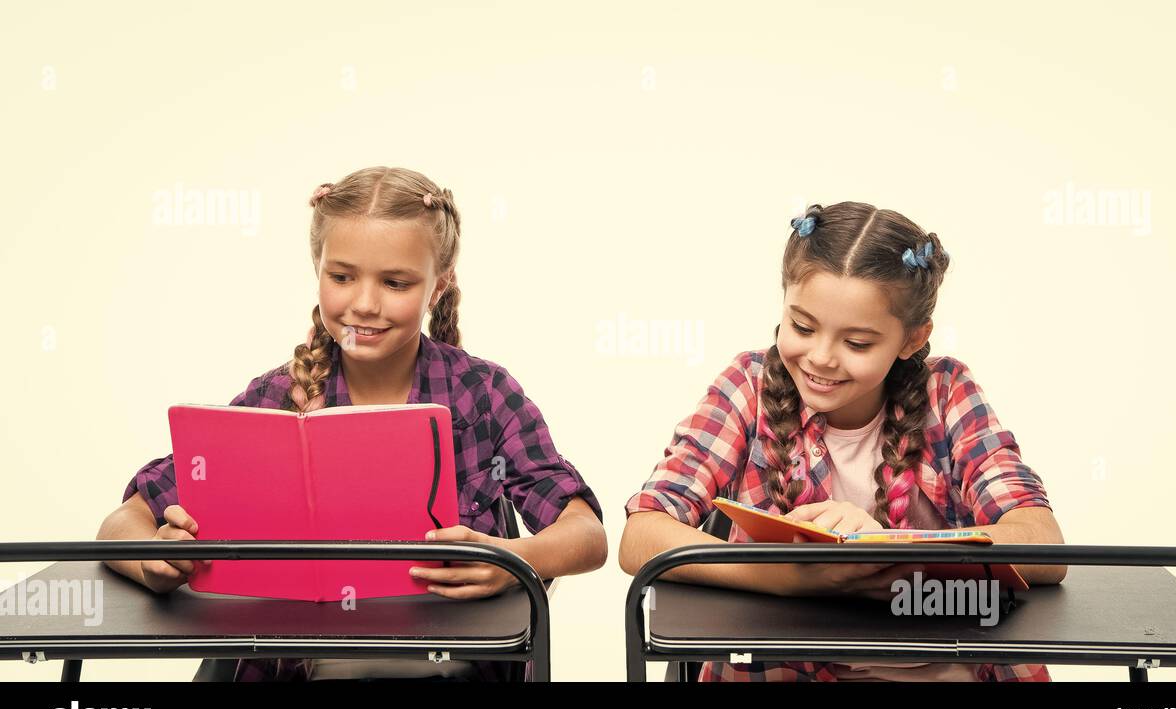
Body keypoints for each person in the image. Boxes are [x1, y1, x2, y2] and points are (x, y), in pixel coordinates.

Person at [97, 166, 606, 681]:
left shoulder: (484, 394)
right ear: (317, 269)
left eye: (395, 282)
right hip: (294, 664)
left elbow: (586, 533)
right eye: (341, 277)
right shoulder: (274, 401)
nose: (364, 303)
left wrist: (513, 560)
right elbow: (122, 523)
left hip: (449, 664)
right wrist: (153, 560)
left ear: (437, 286)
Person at [620, 201, 1065, 681]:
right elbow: (642, 537)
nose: (821, 358)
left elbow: (1041, 544)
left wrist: (888, 545)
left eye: (857, 343)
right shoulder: (748, 387)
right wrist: (780, 577)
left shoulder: (948, 393)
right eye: (802, 327)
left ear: (913, 339)